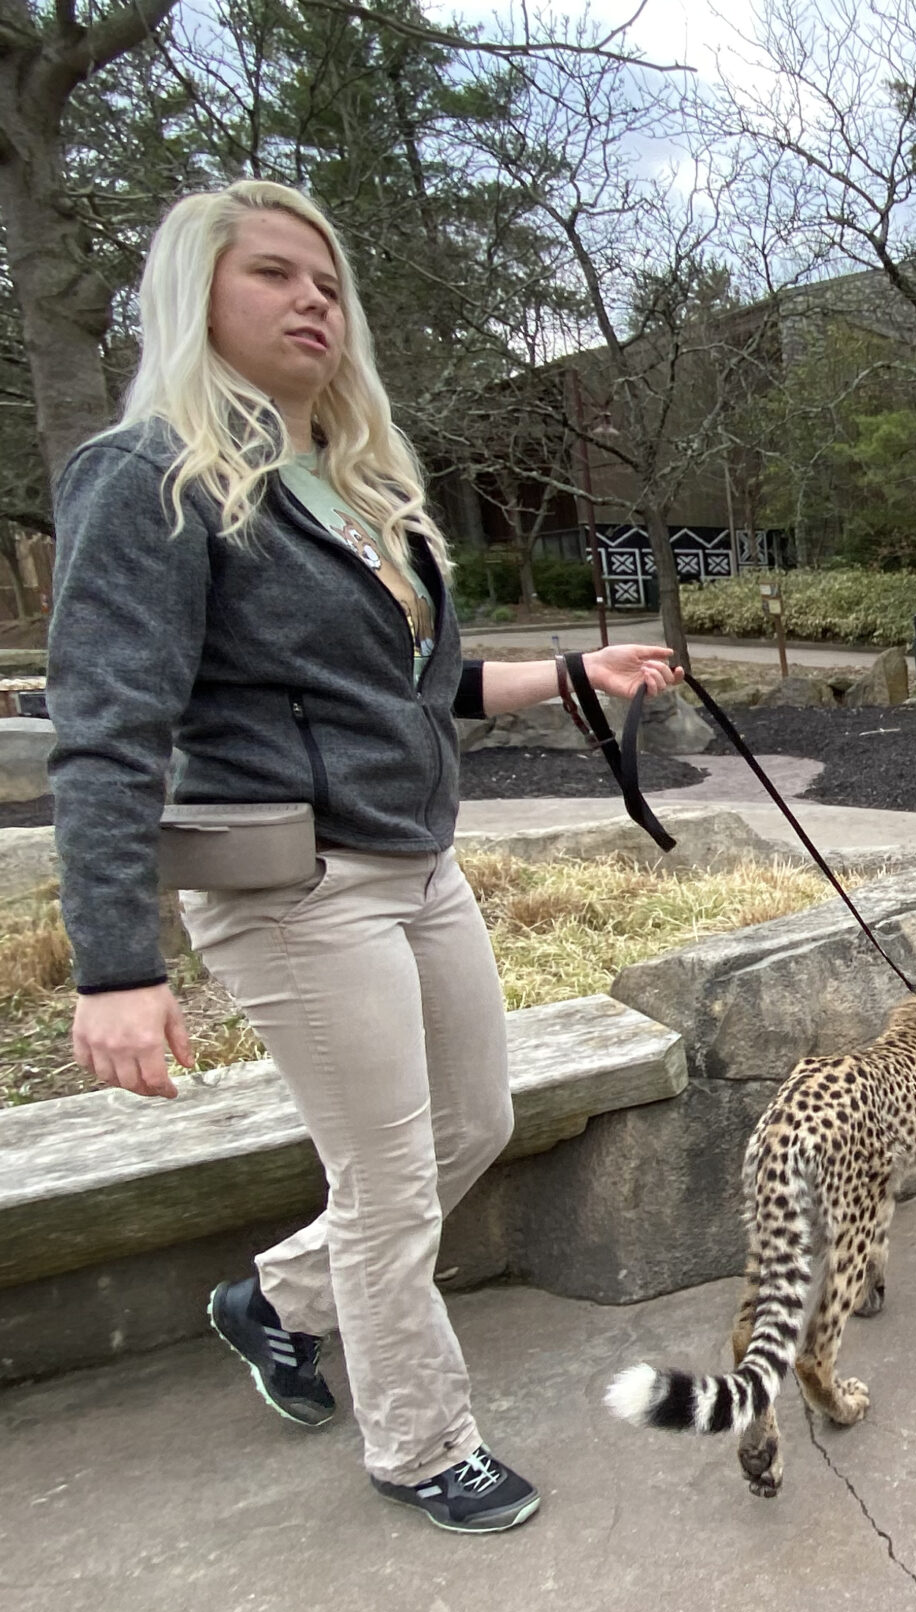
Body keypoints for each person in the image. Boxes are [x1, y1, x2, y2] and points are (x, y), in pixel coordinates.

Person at [47, 180, 679, 1533]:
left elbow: (422, 684)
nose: (311, 300)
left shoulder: (352, 481)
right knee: (389, 1177)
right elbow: (105, 735)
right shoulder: (150, 477)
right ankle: (418, 1441)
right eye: (272, 274)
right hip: (292, 885)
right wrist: (114, 962)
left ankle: (272, 1297)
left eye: (325, 282)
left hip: (414, 862)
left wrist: (576, 670)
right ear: (194, 297)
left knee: (476, 1123)